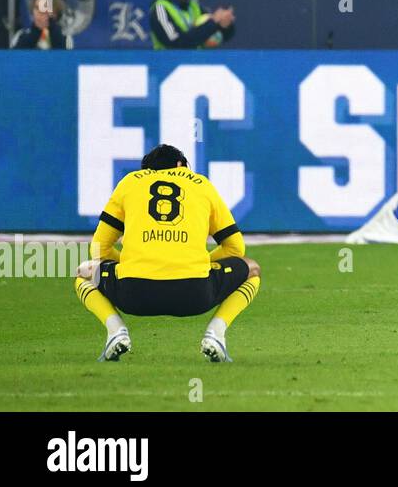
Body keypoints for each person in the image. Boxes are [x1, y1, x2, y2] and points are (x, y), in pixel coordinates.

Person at [74, 144, 261, 362]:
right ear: (180, 165)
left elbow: (98, 248)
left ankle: (116, 331)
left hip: (133, 294)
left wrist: (130, 261)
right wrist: (197, 262)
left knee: (83, 272)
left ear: (147, 169)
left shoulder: (130, 183)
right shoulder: (201, 184)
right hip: (195, 294)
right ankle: (216, 334)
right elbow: (235, 248)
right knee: (252, 269)